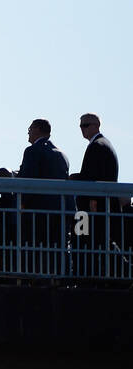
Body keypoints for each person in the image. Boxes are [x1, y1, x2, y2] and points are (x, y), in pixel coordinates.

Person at [17, 119, 69, 276]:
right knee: (57, 248)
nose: (28, 132)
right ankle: (59, 278)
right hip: (59, 210)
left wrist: (23, 204)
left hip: (37, 211)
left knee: (36, 248)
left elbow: (28, 181)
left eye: (30, 128)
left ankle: (35, 279)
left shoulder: (32, 151)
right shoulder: (62, 154)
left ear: (38, 129)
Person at [74, 114, 120, 275]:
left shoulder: (97, 146)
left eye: (85, 125)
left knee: (87, 242)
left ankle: (86, 276)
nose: (82, 129)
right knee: (101, 243)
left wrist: (93, 200)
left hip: (91, 209)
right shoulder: (104, 144)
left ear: (96, 125)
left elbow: (94, 176)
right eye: (80, 126)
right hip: (99, 207)